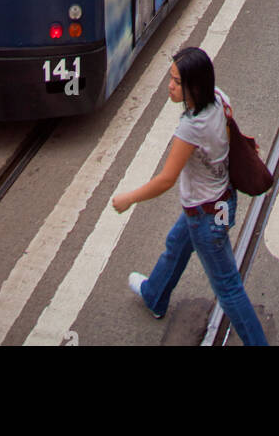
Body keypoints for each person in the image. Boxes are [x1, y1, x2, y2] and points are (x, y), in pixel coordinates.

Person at [113, 47, 268, 346]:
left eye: (174, 81)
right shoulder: (220, 100)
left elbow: (166, 180)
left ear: (193, 87)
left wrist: (129, 198)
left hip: (205, 215)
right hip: (221, 202)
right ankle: (155, 295)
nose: (168, 86)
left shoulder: (191, 128)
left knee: (228, 287)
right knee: (176, 244)